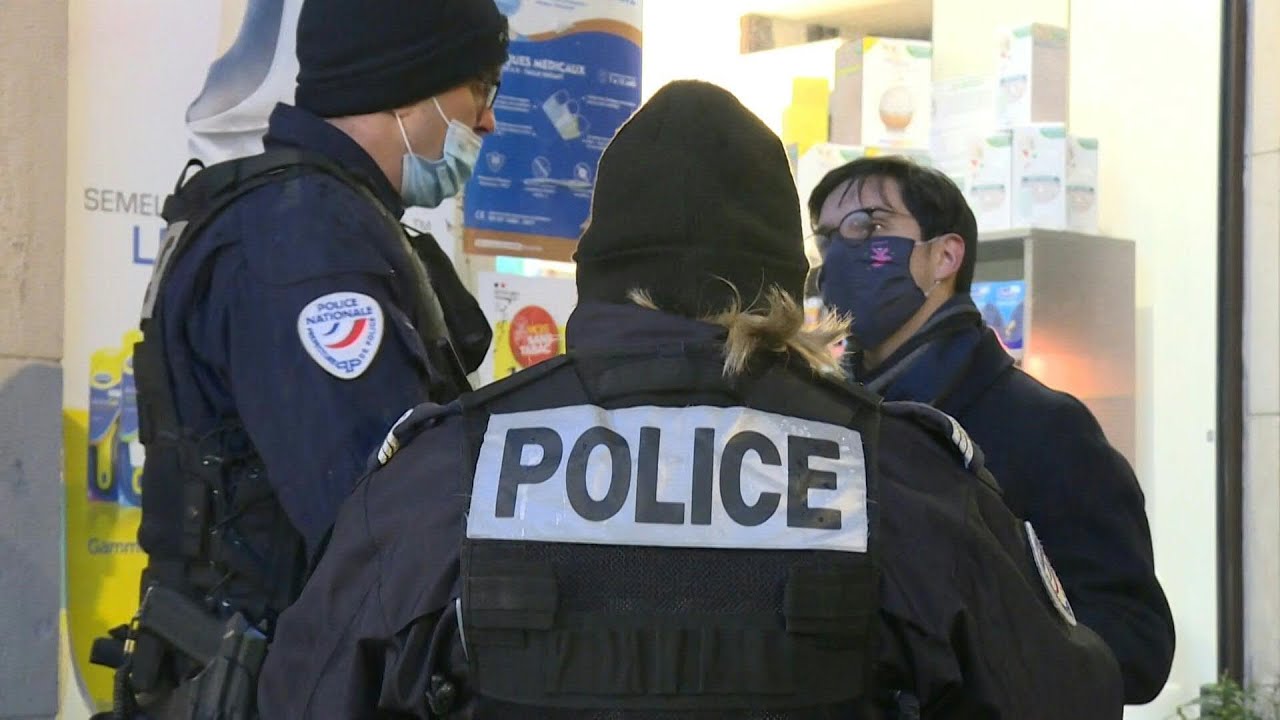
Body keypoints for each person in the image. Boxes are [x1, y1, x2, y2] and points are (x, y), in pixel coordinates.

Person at [258, 80, 1124, 719]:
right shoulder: (899, 478)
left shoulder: (447, 471)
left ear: (596, 273)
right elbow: (1064, 697)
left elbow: (303, 692)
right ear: (781, 282)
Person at [92, 0, 510, 715]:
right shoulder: (309, 243)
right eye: (480, 89)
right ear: (408, 87)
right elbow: (380, 526)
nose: (489, 120)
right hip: (273, 685)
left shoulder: (303, 218)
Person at [809, 155, 1175, 704]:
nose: (841, 251)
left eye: (869, 226)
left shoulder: (1045, 427)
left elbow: (1136, 643)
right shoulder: (829, 421)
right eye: (827, 237)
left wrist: (970, 652)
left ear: (945, 256)